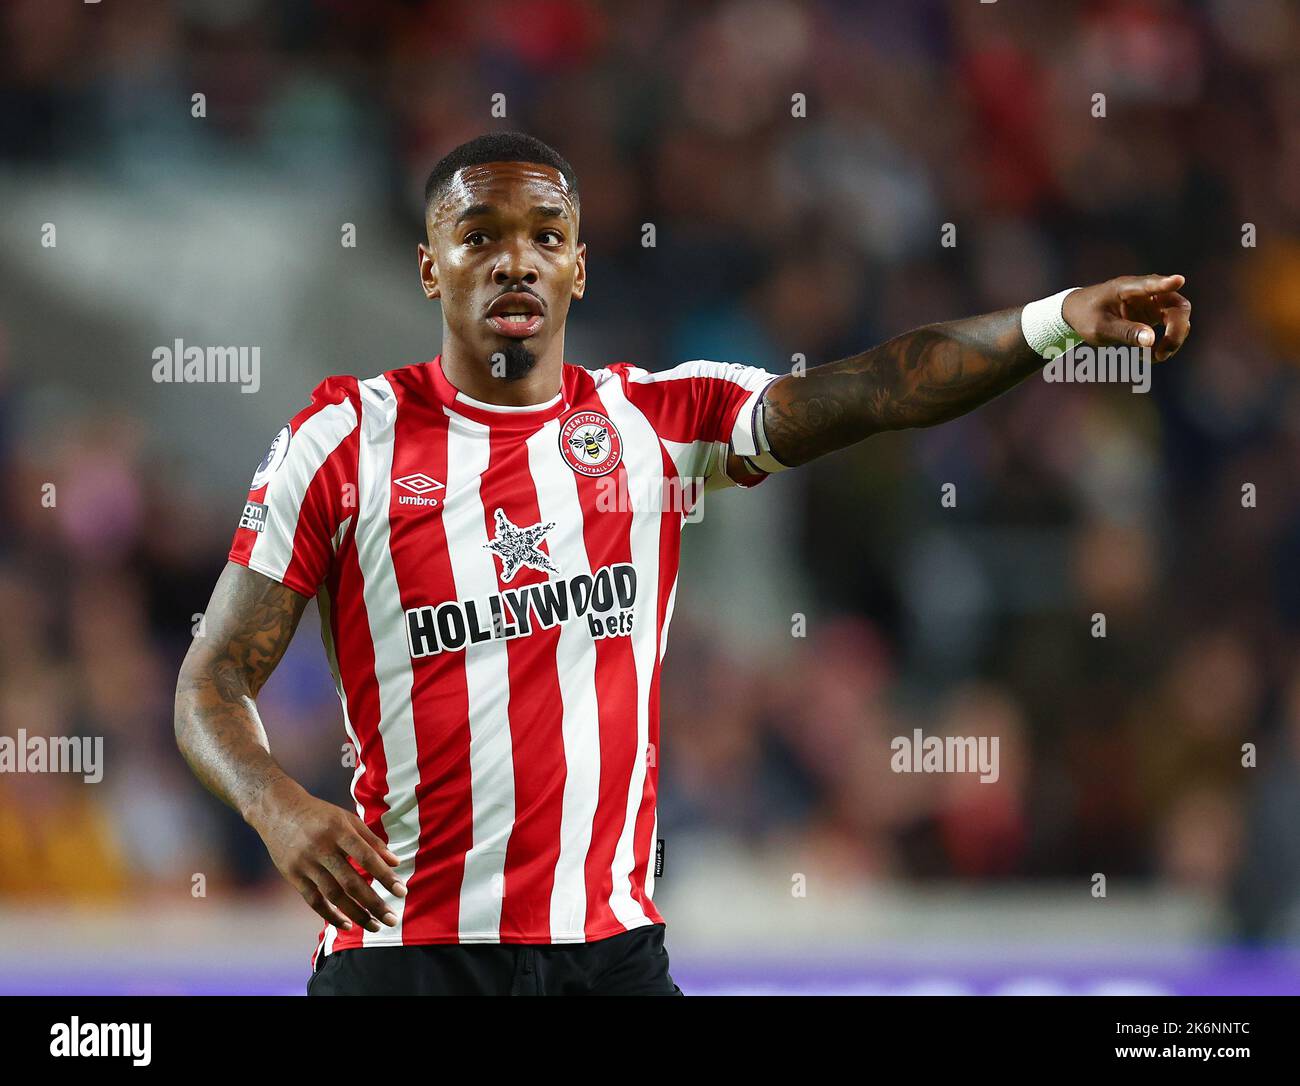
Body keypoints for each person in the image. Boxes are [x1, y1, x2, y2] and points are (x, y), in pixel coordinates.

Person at [174, 130, 1192, 995]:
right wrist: (278, 807)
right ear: (429, 265)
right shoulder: (345, 439)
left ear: (579, 266)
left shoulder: (657, 424)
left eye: (545, 237)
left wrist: (1055, 321)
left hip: (608, 954)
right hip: (405, 954)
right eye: (478, 236)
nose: (513, 261)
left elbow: (881, 387)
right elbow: (211, 679)